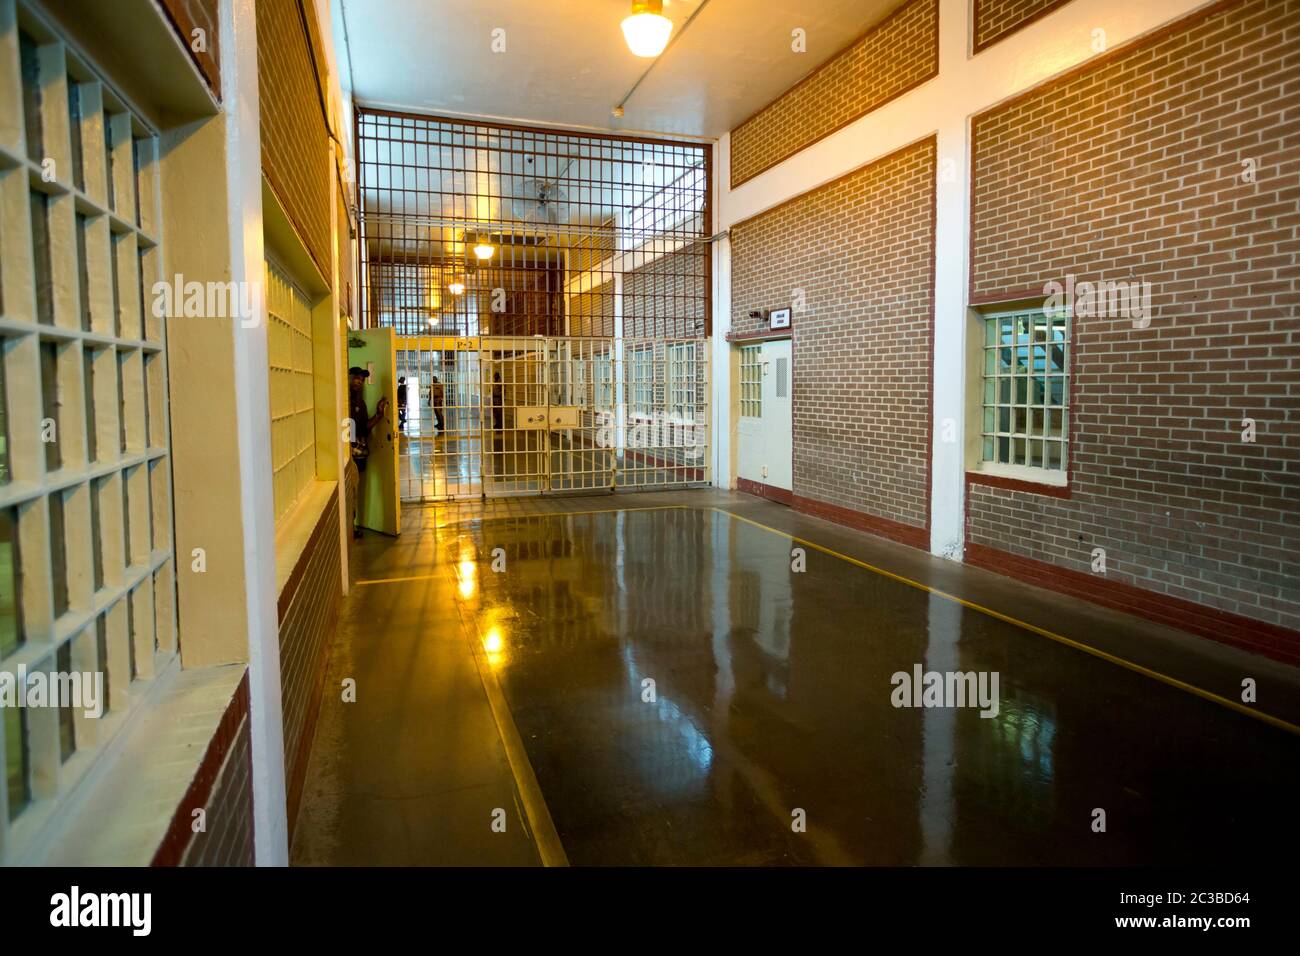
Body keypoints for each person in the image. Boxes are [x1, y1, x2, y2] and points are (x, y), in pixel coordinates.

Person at [348, 366, 389, 538]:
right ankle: (350, 528)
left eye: (362, 379)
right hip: (349, 455)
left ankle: (351, 527)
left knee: (354, 491)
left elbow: (364, 428)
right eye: (356, 377)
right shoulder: (345, 402)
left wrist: (379, 415)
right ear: (348, 378)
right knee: (350, 492)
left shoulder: (360, 403)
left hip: (359, 455)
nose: (359, 381)